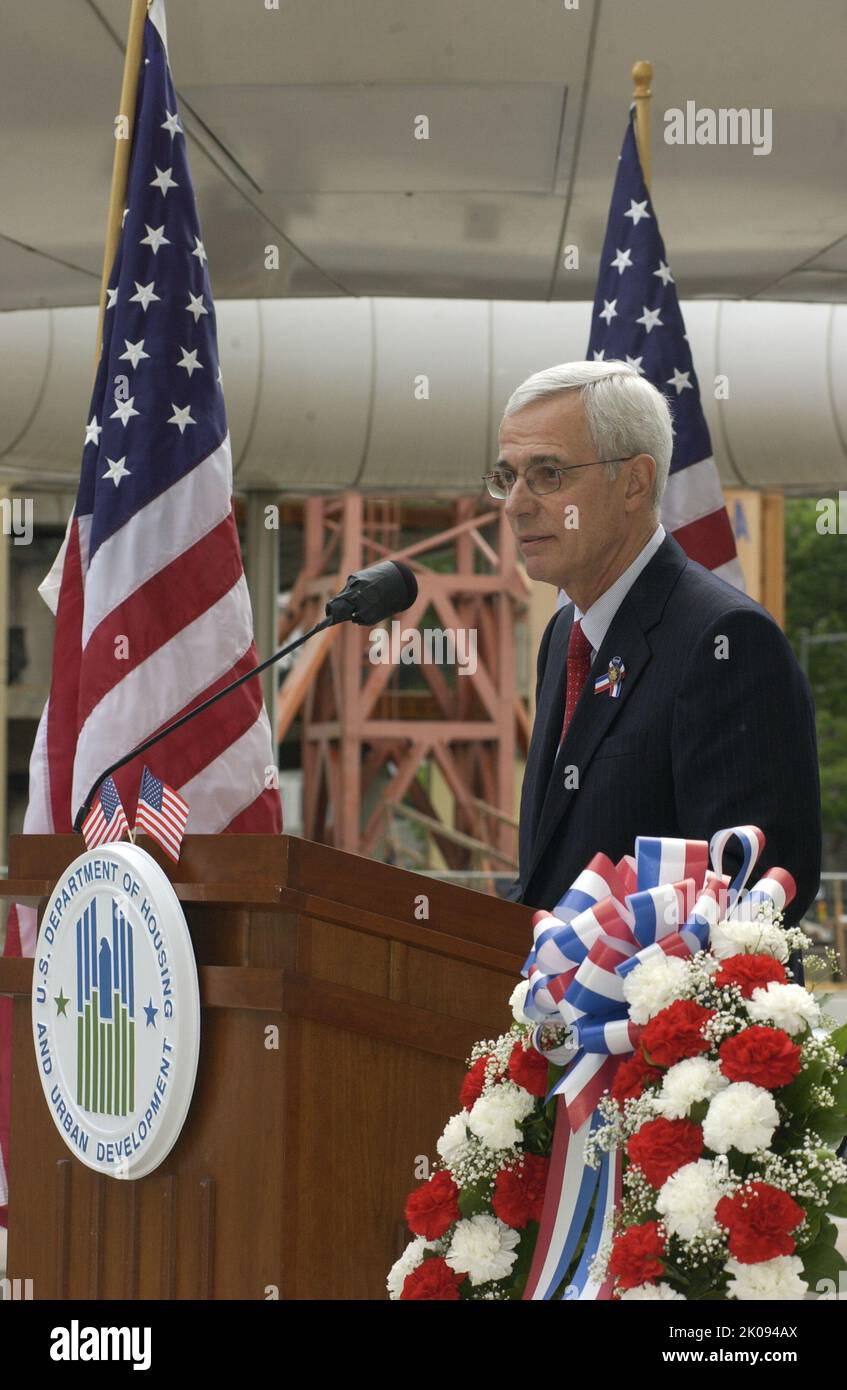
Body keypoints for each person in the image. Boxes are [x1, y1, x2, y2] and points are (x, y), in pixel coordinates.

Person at [492, 360, 821, 925]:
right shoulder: (563, 637)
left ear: (635, 482)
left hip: (651, 1012)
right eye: (508, 476)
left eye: (547, 474)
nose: (516, 504)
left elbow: (752, 905)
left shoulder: (726, 641)